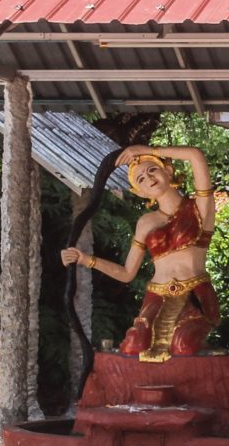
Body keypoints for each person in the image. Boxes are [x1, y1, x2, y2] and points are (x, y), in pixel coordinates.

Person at [60, 145, 220, 362]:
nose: (148, 178)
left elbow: (195, 155)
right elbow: (127, 273)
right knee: (134, 345)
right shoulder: (146, 223)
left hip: (193, 293)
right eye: (141, 179)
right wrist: (85, 259)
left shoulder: (199, 208)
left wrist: (146, 150)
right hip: (156, 295)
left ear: (168, 171)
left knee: (183, 345)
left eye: (152, 170)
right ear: (141, 192)